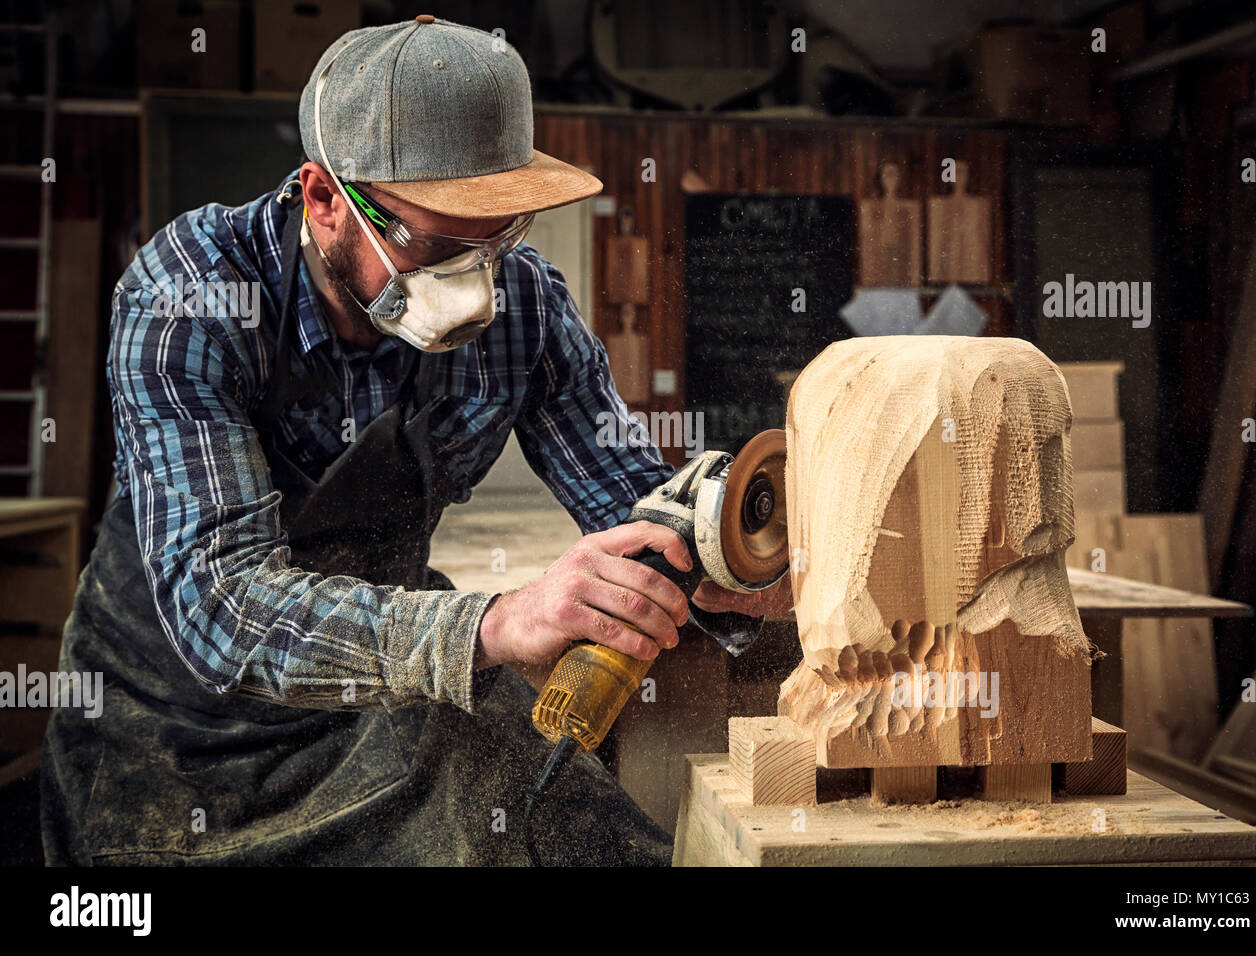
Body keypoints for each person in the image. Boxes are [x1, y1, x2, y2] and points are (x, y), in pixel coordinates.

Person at [40, 15, 789, 866]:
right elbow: (223, 610)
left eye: (500, 235)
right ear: (325, 201)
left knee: (591, 843)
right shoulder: (194, 298)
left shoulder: (526, 308)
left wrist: (728, 561)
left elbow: (634, 509)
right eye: (437, 240)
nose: (476, 281)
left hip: (391, 699)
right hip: (176, 728)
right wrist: (497, 625)